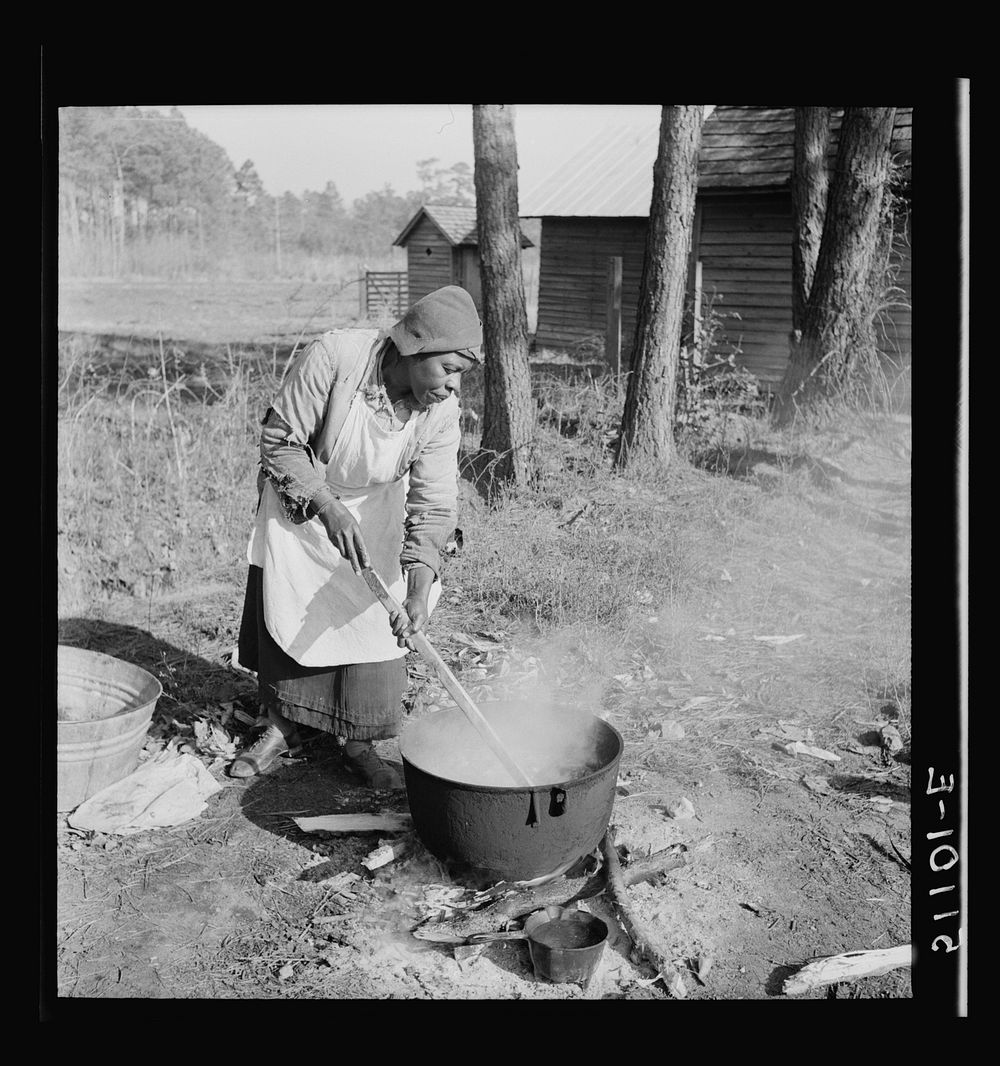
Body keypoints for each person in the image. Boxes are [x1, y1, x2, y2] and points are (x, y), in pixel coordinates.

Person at [230, 285, 482, 789]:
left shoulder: (441, 411)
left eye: (462, 375)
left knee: (372, 628)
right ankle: (281, 726)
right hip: (304, 501)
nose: (454, 386)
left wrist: (418, 592)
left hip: (378, 510)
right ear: (414, 349)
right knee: (291, 612)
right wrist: (327, 508)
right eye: (449, 369)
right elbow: (279, 443)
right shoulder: (337, 357)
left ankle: (358, 741)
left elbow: (433, 503)